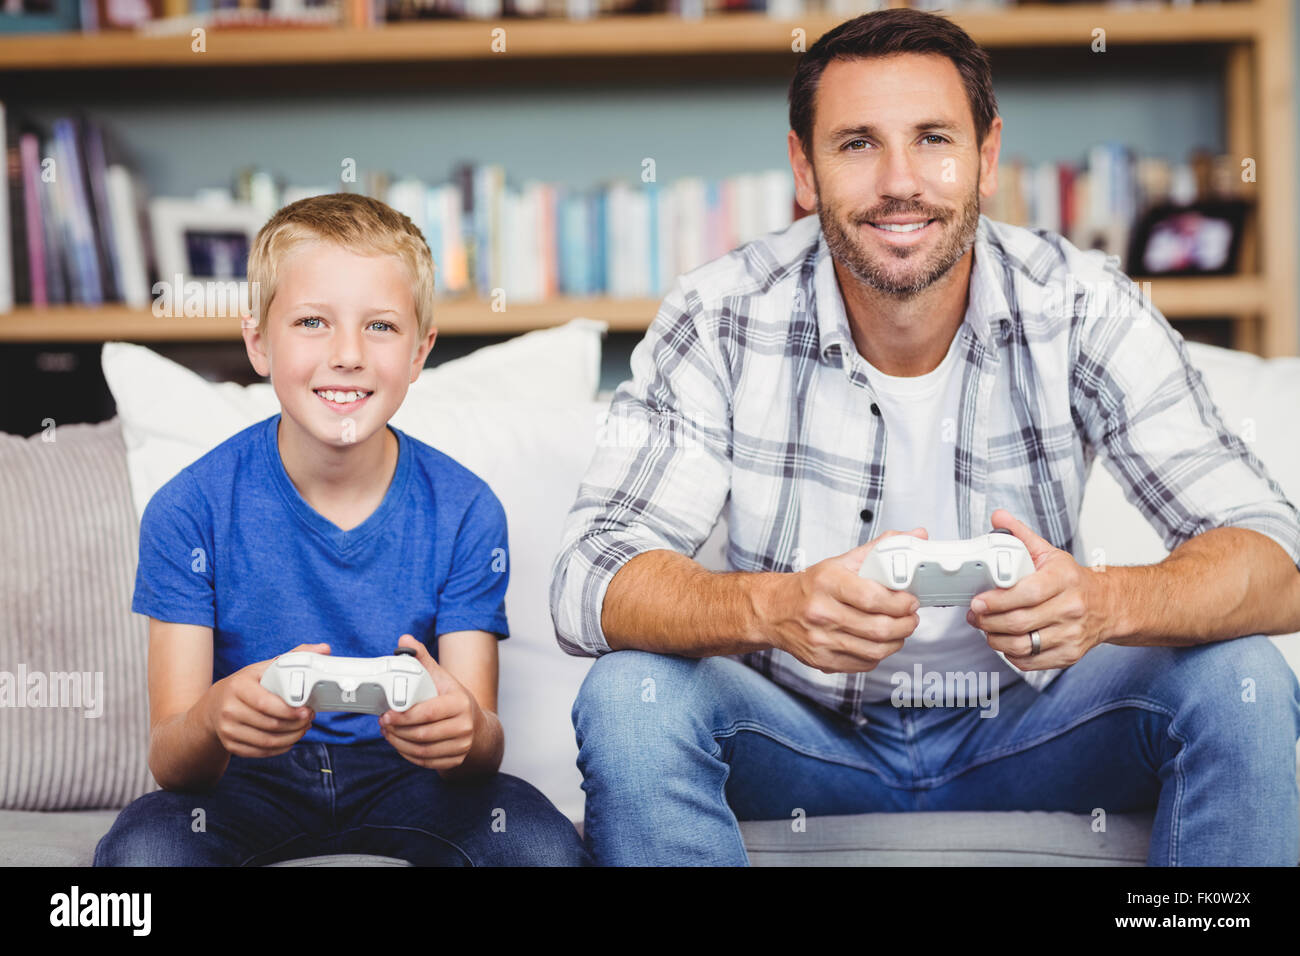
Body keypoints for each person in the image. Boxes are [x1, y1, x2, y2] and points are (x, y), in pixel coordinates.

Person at [549, 8, 1300, 866]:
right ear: (804, 168)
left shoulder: (1083, 302)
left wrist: (1107, 601)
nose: (899, 181)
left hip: (1040, 730)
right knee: (628, 692)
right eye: (858, 144)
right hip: (802, 738)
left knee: (1242, 679)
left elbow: (1277, 562)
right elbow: (589, 573)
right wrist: (775, 608)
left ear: (984, 158)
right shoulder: (720, 313)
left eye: (934, 139)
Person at [96, 193, 590, 866]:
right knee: (143, 854)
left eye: (381, 327)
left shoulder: (467, 508)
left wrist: (465, 730)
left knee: (542, 847)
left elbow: (479, 749)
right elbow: (174, 763)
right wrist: (215, 716)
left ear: (419, 353)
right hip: (245, 782)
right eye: (312, 321)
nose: (348, 354)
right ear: (258, 343)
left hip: (411, 781)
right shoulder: (189, 508)